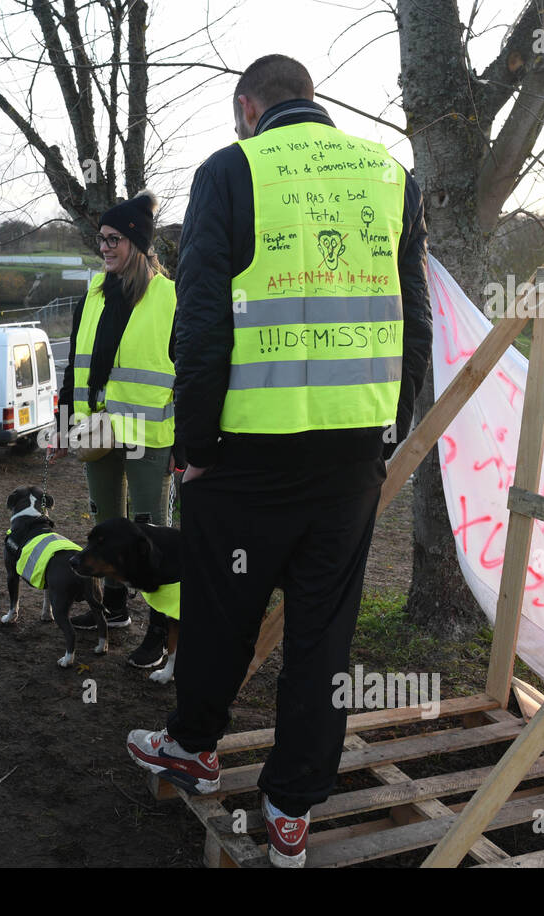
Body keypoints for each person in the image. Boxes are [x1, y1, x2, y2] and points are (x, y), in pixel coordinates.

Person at [126, 54, 433, 868]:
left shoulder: (230, 171)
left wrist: (192, 451)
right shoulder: (389, 175)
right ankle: (291, 806)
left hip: (243, 458)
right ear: (311, 100)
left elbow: (198, 330)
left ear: (247, 105)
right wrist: (387, 430)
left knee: (223, 611)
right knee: (322, 637)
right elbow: (416, 322)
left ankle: (193, 747)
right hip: (348, 461)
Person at [50, 189, 178, 669]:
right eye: (100, 239)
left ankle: (160, 631)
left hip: (148, 434)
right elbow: (74, 368)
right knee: (104, 525)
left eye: (113, 240)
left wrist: (184, 441)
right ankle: (116, 611)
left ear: (137, 243)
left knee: (148, 536)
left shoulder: (170, 298)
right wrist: (64, 423)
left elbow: (188, 373)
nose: (103, 247)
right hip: (95, 433)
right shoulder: (93, 294)